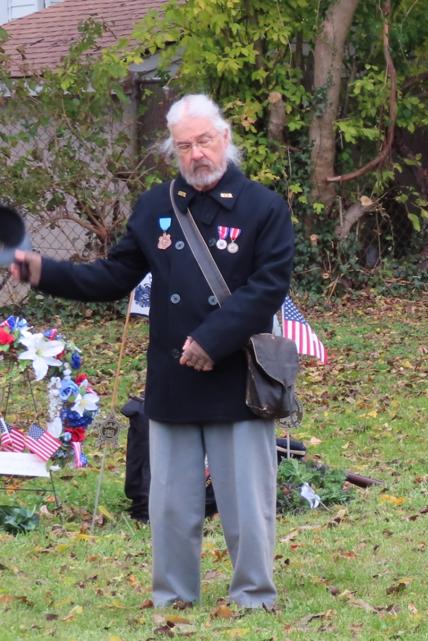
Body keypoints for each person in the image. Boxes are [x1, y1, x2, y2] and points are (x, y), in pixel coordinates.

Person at [10, 94, 293, 610]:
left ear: (225, 139)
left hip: (237, 379)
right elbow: (113, 276)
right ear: (174, 151)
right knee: (169, 506)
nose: (196, 155)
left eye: (204, 141)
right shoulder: (155, 206)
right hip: (173, 379)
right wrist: (40, 270)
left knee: (247, 505)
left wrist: (211, 340)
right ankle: (173, 598)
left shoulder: (264, 208)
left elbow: (267, 288)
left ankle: (254, 596)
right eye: (184, 146)